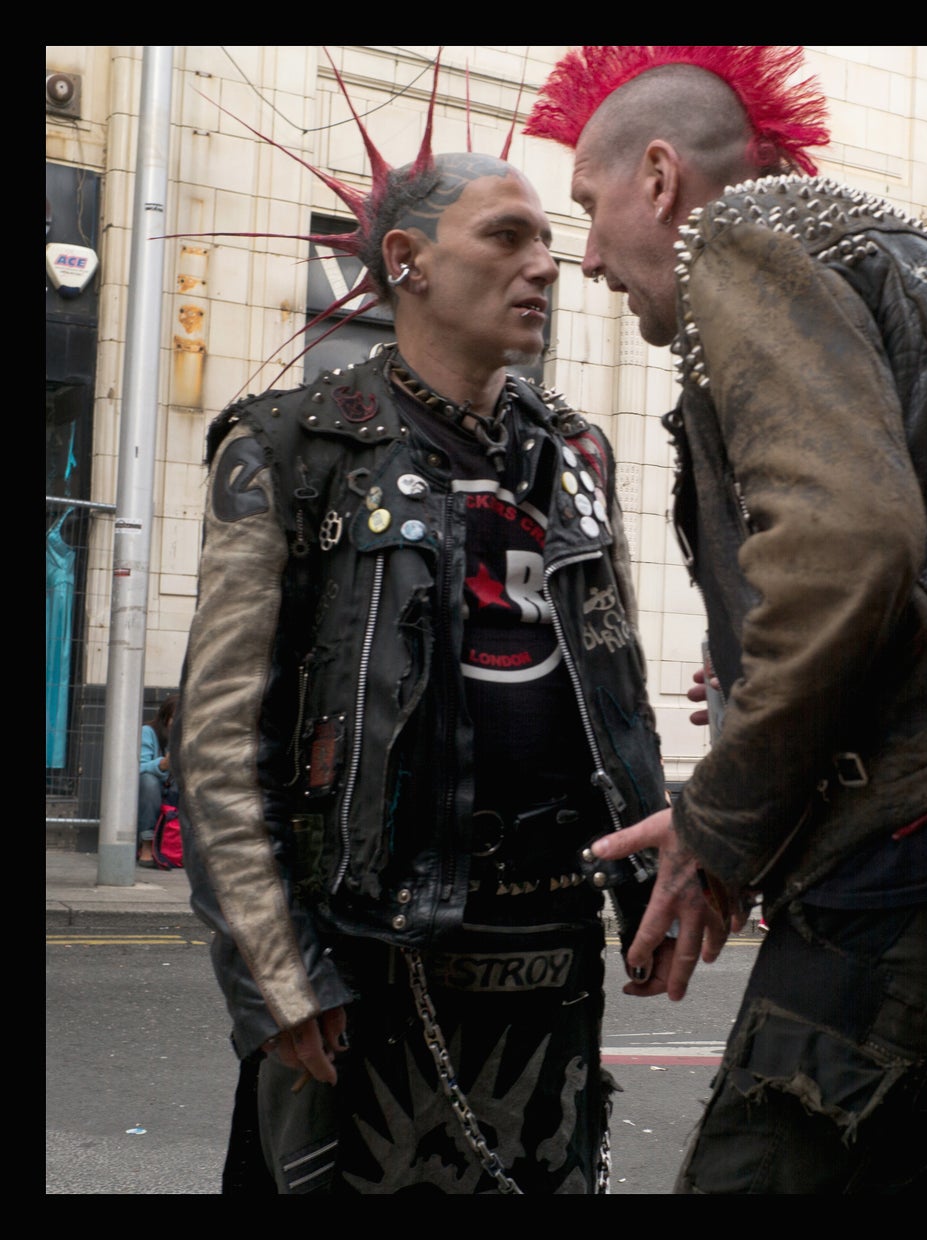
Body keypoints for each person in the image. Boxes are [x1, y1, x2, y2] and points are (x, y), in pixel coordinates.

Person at [525, 45, 927, 1194]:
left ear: (659, 178)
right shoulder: (903, 251)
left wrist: (720, 821)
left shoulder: (744, 239)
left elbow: (846, 551)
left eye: (588, 210)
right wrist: (761, 681)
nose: (585, 257)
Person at [170, 114, 667, 1191]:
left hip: (550, 952)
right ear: (407, 262)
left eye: (547, 239)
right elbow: (216, 743)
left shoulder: (577, 455)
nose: (545, 263)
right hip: (369, 959)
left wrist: (649, 881)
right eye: (506, 236)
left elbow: (615, 686)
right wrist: (278, 973)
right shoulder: (287, 450)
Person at [137, 693, 177, 867]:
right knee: (148, 782)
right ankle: (147, 844)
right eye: (176, 718)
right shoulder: (148, 733)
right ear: (165, 717)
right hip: (151, 790)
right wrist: (162, 765)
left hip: (176, 788)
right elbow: (138, 767)